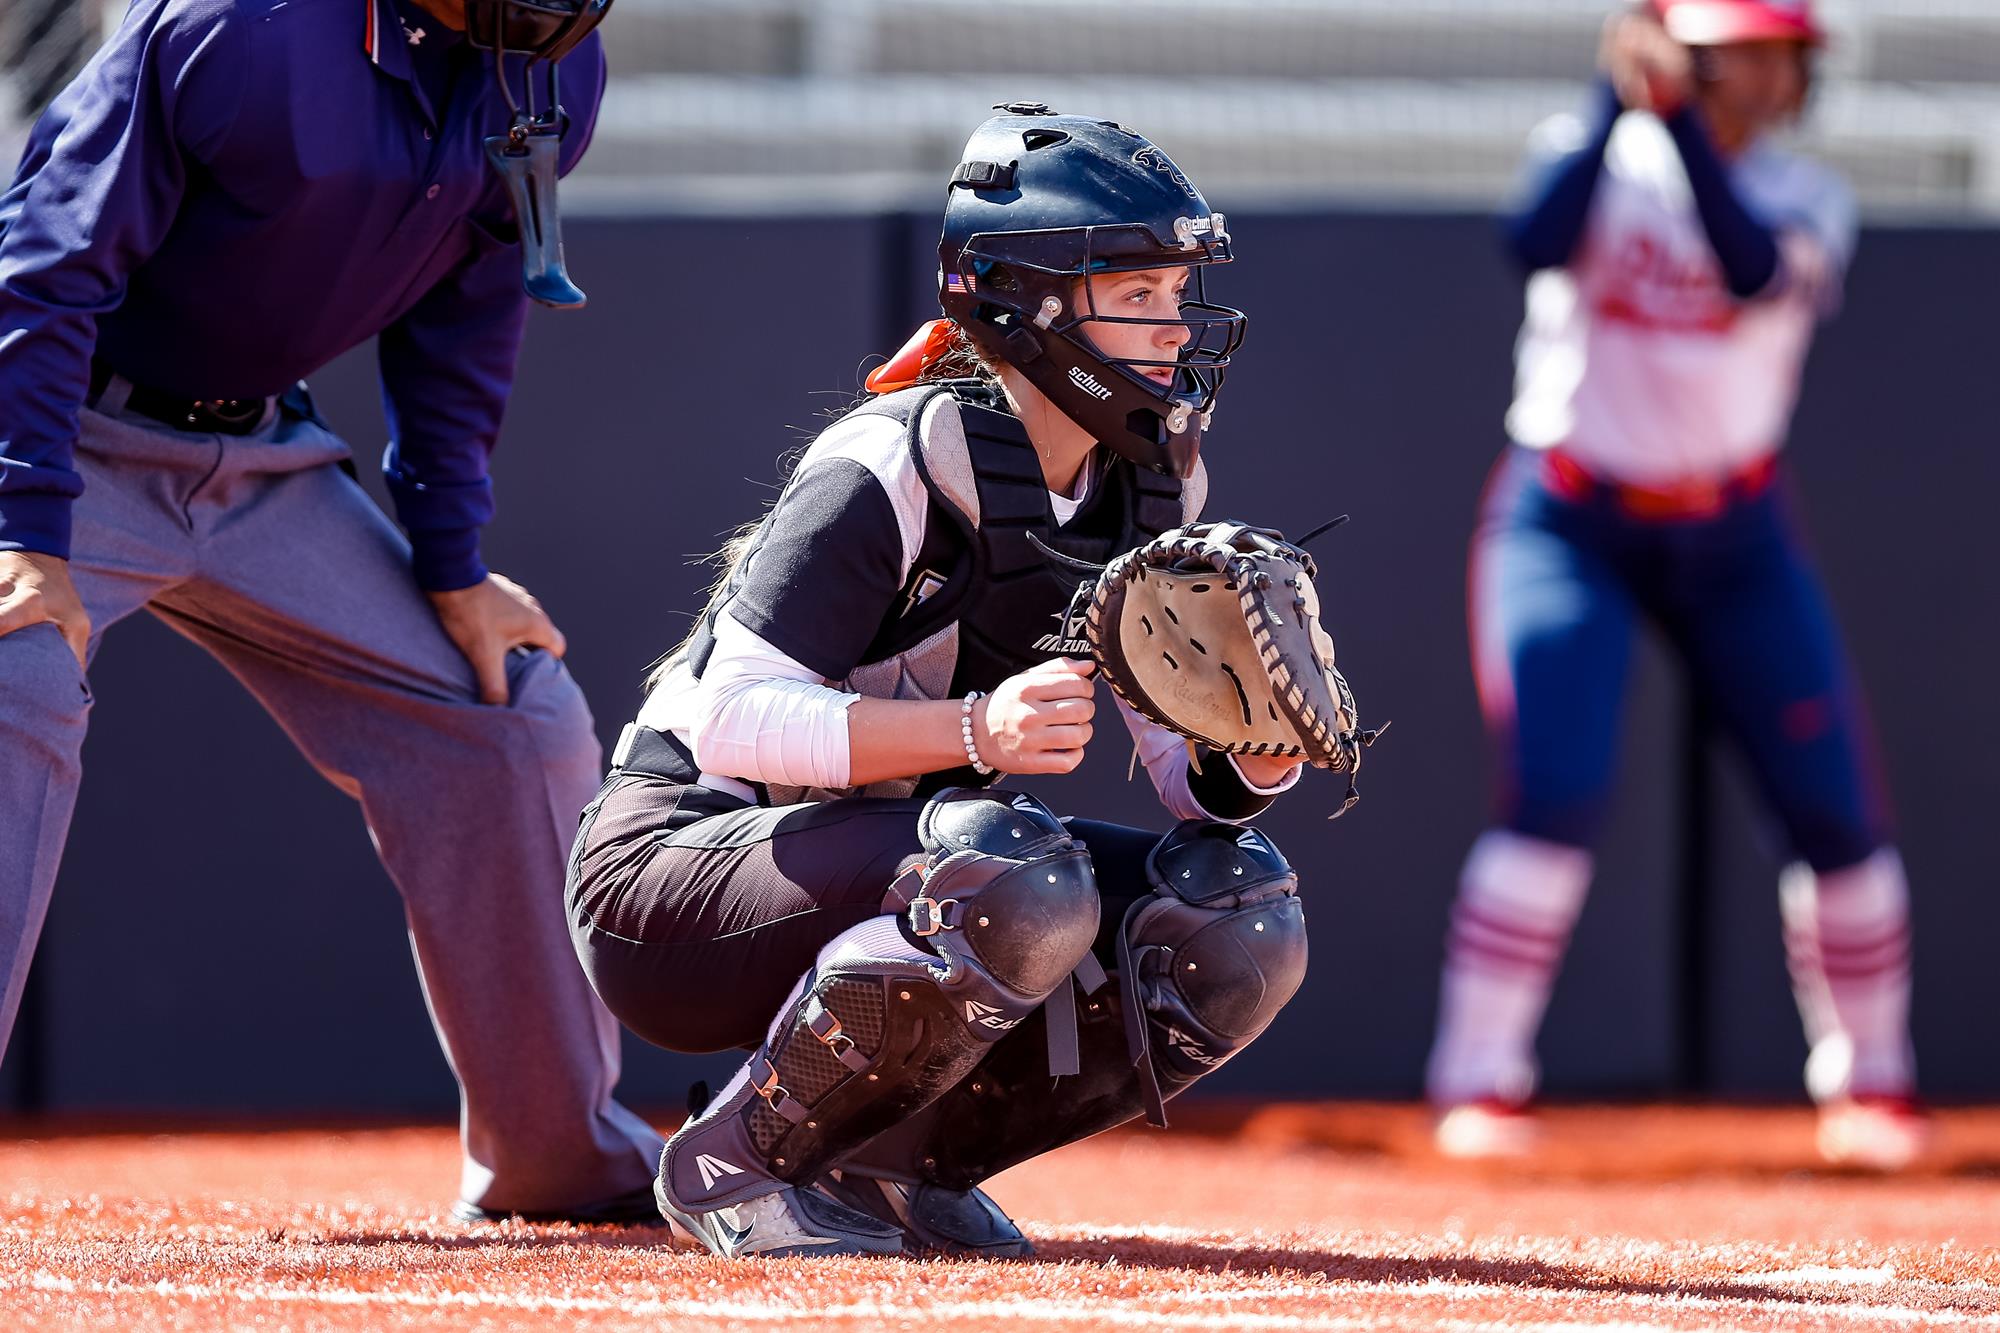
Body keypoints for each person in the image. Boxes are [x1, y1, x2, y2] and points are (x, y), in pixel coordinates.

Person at [567, 104, 1320, 1258]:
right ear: (1017, 303)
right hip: (675, 867)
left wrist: (1245, 761)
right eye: (1134, 298)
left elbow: (1183, 781)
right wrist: (972, 726)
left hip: (884, 858)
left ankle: (893, 1167)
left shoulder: (1153, 482)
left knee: (1234, 917)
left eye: (1173, 296)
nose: (1171, 331)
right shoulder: (890, 459)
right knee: (1011, 868)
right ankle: (731, 1163)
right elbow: (731, 717)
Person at [0, 0, 664, 1221]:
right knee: (14, 677)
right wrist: (22, 528)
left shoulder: (556, 68)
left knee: (512, 713)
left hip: (260, 459)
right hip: (59, 439)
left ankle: (558, 1160)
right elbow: (45, 265)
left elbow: (464, 315)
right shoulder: (240, 27)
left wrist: (455, 564)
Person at [1424, 0, 1923, 1169]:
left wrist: (1673, 122)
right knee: (1551, 791)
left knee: (1833, 811)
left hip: (1733, 529)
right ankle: (1476, 1078)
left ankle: (1873, 1085)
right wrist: (1617, 102)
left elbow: (1746, 268)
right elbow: (1531, 241)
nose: (1757, 74)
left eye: (1773, 54)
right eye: (1728, 52)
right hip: (1570, 514)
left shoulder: (1808, 197)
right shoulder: (1591, 150)